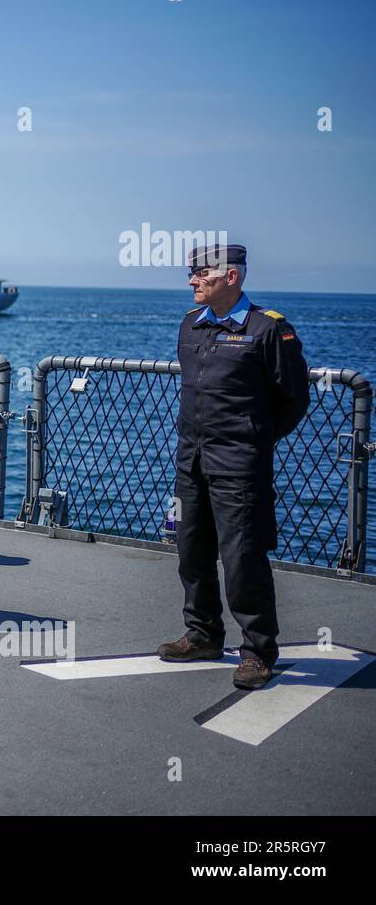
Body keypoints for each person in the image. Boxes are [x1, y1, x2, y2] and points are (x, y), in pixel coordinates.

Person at [157, 244, 310, 690]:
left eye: (201, 273)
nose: (191, 281)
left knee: (242, 557)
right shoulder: (191, 326)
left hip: (239, 466)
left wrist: (254, 439)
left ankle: (258, 651)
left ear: (232, 278)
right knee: (191, 550)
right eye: (191, 273)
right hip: (190, 462)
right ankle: (203, 634)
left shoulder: (267, 330)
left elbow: (294, 398)